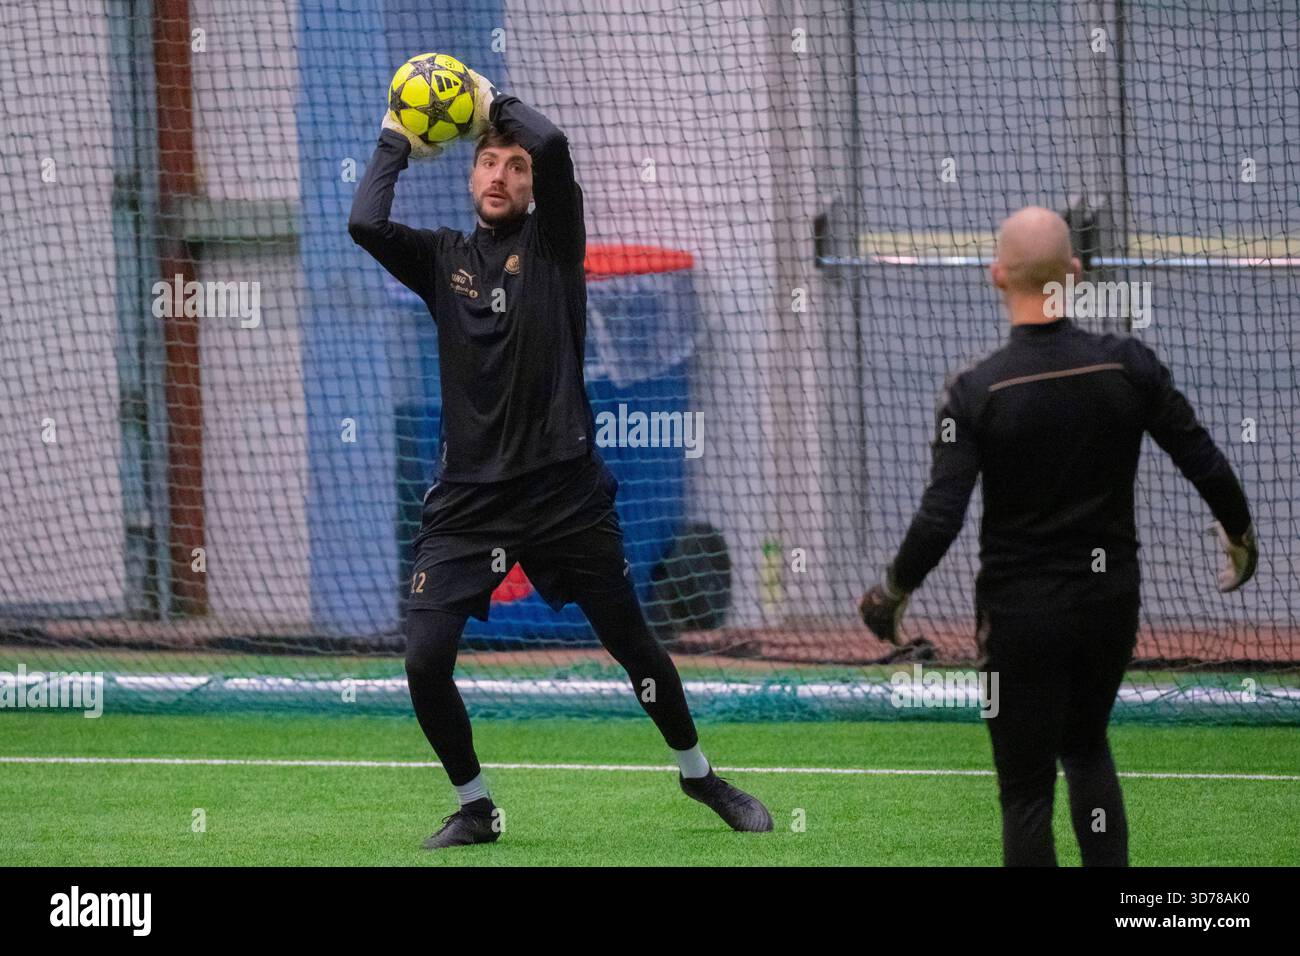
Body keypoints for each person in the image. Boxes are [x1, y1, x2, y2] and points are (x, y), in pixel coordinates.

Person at [348, 66, 772, 849]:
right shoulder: (441, 260)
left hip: (564, 494)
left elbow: (555, 142)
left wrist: (484, 102)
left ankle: (701, 777)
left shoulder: (553, 245)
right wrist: (396, 138)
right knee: (423, 660)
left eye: (516, 165)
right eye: (489, 159)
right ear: (469, 171)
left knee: (633, 646)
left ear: (533, 185)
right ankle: (477, 808)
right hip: (469, 502)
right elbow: (365, 224)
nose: (503, 172)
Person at [858, 206, 1257, 866]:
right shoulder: (1128, 366)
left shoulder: (976, 391)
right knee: (1086, 745)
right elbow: (1205, 459)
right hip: (1110, 607)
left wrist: (892, 591)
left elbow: (940, 517)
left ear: (996, 276)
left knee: (1024, 792)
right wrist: (1241, 535)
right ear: (1074, 273)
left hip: (1020, 616)